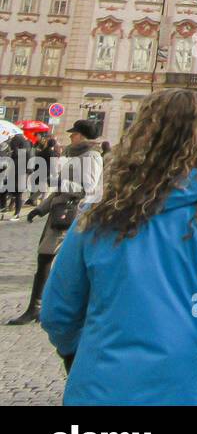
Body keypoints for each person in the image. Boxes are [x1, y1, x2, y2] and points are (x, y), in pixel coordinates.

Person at [40, 88, 197, 406]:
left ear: (141, 137)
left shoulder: (97, 217)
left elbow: (57, 311)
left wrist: (74, 353)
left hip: (98, 388)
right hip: (180, 388)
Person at [8, 120, 104, 326]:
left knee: (46, 258)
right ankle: (40, 306)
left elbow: (88, 188)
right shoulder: (76, 155)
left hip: (70, 215)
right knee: (46, 258)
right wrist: (41, 208)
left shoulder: (92, 156)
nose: (71, 136)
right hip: (58, 212)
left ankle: (37, 307)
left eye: (75, 133)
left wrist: (57, 181)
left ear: (83, 136)